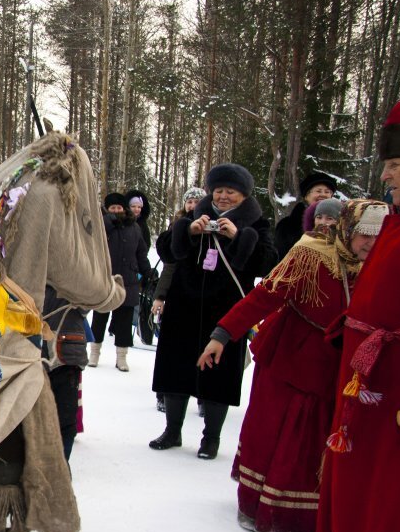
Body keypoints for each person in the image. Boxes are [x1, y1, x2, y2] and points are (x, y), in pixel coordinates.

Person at [197, 199, 388, 532]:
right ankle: (256, 504)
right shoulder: (310, 255)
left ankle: (310, 518)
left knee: (316, 442)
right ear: (348, 229)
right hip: (290, 356)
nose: (370, 244)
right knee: (275, 432)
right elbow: (264, 296)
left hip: (336, 367)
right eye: (363, 235)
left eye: (377, 236)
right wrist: (222, 334)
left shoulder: (377, 265)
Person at [319, 98, 400, 532]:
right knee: (380, 494)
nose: (388, 174)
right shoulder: (396, 224)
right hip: (375, 386)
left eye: (399, 165)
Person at [149, 163, 278, 459]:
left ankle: (211, 438)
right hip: (184, 305)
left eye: (230, 192)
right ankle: (172, 430)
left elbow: (268, 263)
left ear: (243, 195)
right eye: (218, 190)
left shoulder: (256, 223)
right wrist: (187, 230)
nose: (223, 197)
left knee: (219, 374)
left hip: (226, 310)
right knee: (176, 367)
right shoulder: (195, 214)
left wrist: (239, 237)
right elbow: (166, 250)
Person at [152, 186, 205, 411]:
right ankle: (165, 394)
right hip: (177, 294)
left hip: (204, 297)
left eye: (197, 202)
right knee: (171, 349)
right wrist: (160, 296)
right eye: (189, 202)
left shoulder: (213, 226)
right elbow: (169, 266)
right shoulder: (177, 228)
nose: (192, 206)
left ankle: (204, 396)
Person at [88, 192, 150, 371]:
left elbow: (141, 253)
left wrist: (147, 273)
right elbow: (92, 240)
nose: (116, 211)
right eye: (112, 208)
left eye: (119, 207)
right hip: (105, 278)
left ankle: (121, 357)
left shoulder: (135, 227)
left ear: (124, 208)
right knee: (100, 318)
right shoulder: (101, 225)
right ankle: (94, 353)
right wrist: (109, 221)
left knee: (124, 321)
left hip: (128, 280)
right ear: (107, 209)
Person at [43, 286, 90, 461]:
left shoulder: (77, 262)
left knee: (64, 417)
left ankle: (60, 469)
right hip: (23, 347)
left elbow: (95, 296)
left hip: (65, 350)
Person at [273, 171, 337, 259]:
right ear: (306, 196)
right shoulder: (287, 225)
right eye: (318, 191)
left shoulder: (339, 225)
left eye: (327, 192)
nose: (323, 194)